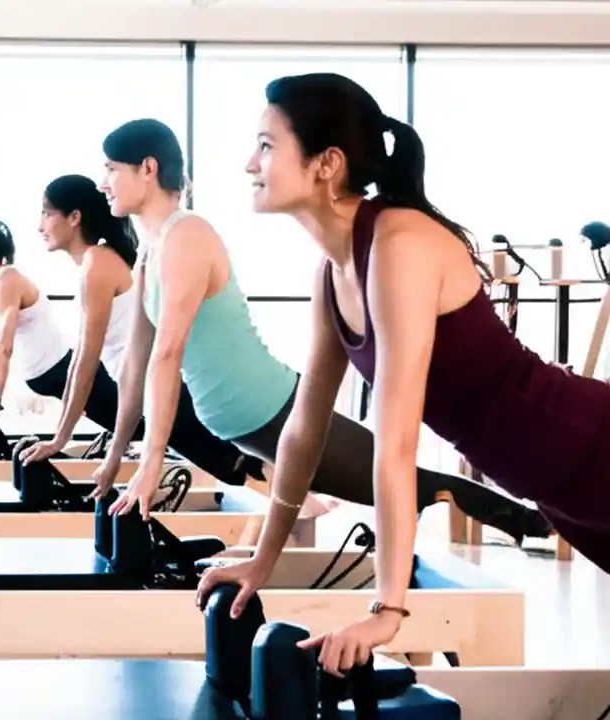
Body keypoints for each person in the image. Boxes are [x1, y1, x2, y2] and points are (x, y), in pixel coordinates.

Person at [195, 72, 610, 678]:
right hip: (556, 486)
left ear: (325, 164)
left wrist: (389, 609)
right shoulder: (331, 275)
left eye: (265, 144)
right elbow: (303, 430)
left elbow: (395, 443)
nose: (248, 162)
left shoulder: (399, 243)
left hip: (591, 446)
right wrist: (263, 560)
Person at [88, 118, 549, 541]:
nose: (103, 182)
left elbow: (168, 355)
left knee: (409, 480)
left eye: (111, 168)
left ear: (147, 168)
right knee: (368, 485)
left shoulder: (186, 236)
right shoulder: (151, 248)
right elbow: (137, 365)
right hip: (243, 420)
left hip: (272, 408)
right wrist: (115, 462)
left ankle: (541, 524)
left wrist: (150, 465)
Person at [14, 174, 265, 489]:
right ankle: (297, 512)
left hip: (172, 393)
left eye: (46, 213)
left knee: (240, 469)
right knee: (238, 468)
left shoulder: (98, 264)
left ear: (74, 217)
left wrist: (60, 439)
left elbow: (86, 363)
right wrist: (63, 438)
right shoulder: (98, 261)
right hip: (148, 391)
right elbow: (83, 360)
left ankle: (307, 514)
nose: (40, 225)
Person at [0, 217, 70, 424]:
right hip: (45, 374)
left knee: (130, 423)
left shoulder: (7, 277)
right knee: (123, 422)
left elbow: (4, 346)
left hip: (61, 368)